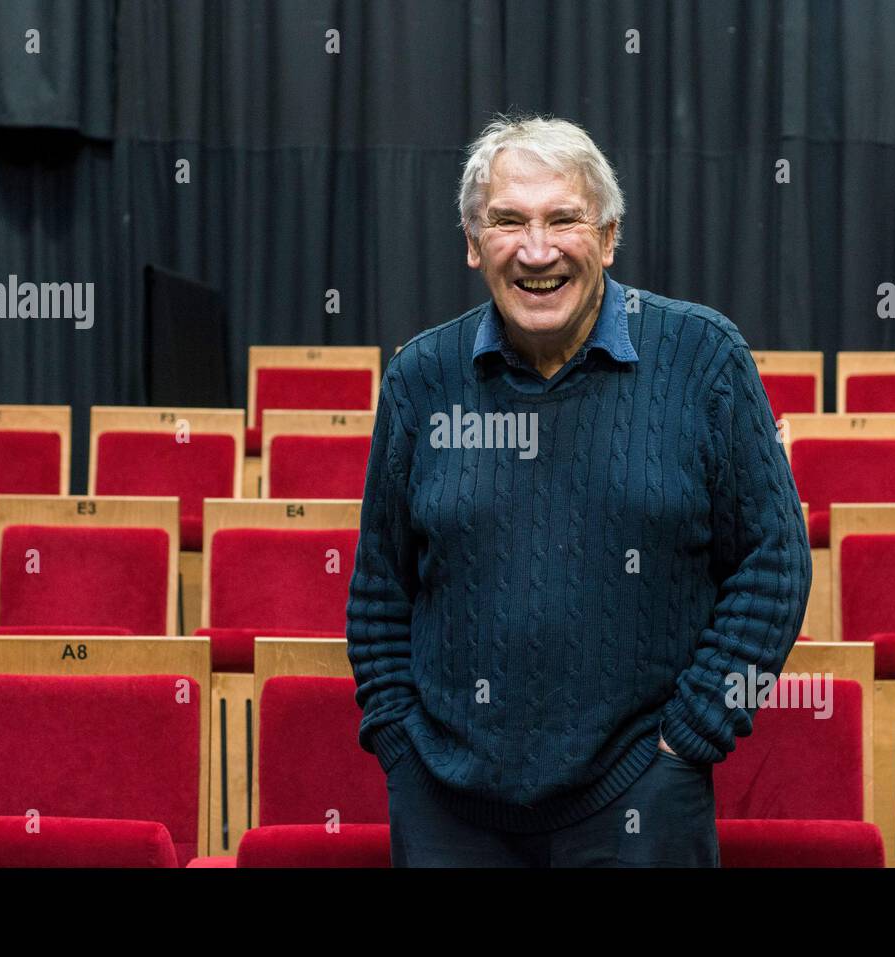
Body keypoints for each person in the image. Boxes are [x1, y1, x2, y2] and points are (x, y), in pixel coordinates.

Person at [346, 113, 811, 866]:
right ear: (472, 242)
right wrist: (400, 745)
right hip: (448, 811)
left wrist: (686, 742)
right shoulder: (420, 379)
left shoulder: (705, 357)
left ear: (608, 235)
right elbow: (378, 590)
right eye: (508, 221)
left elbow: (775, 566)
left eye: (564, 218)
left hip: (642, 802)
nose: (537, 250)